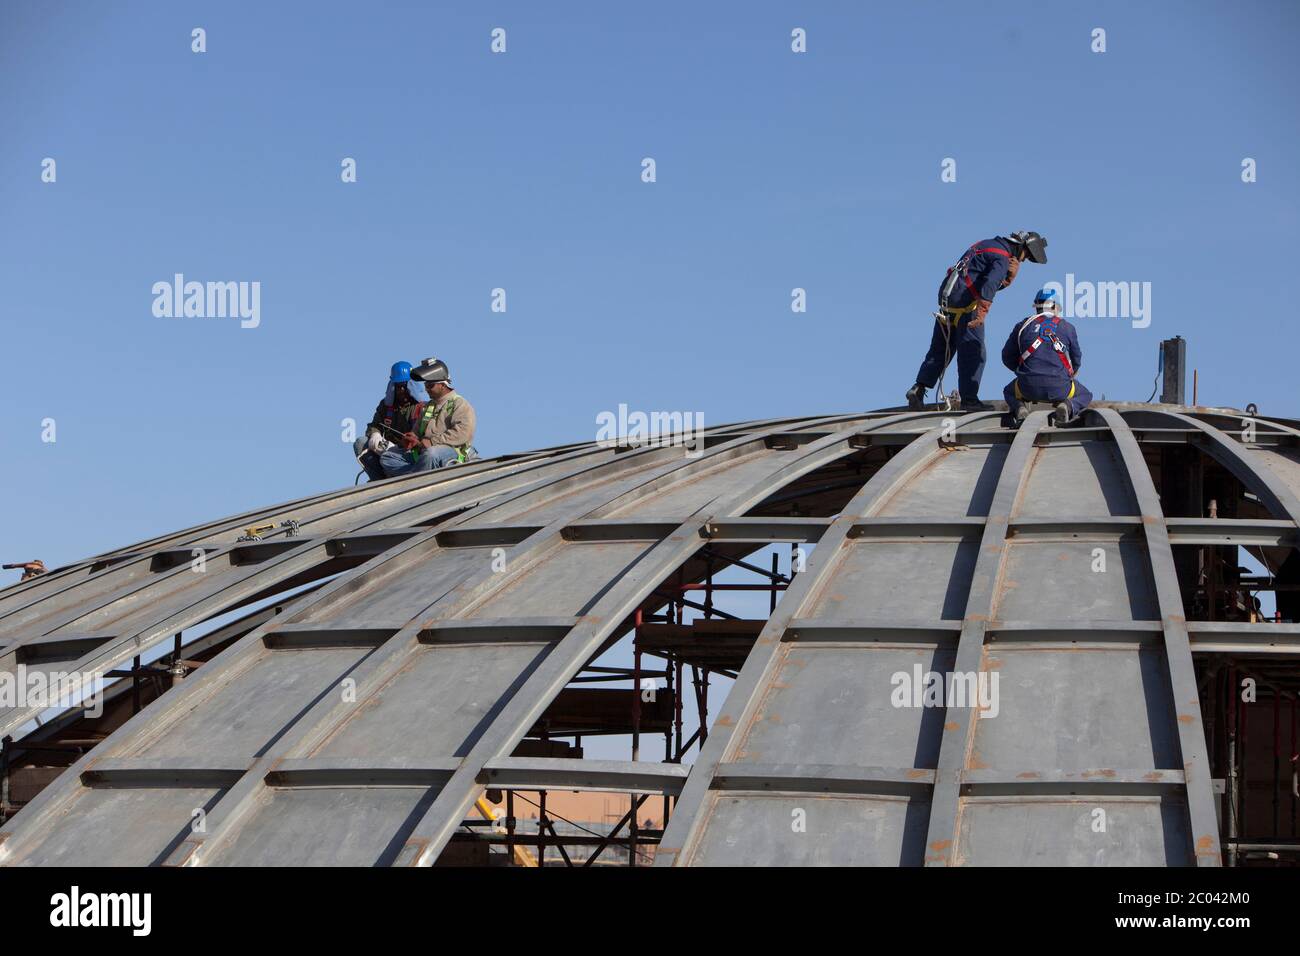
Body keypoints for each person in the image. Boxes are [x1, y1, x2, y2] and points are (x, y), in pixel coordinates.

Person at [906, 231, 1048, 411]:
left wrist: (1006, 281)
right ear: (1022, 247)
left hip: (947, 308)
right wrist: (982, 313)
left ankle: (918, 389)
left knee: (939, 351)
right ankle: (969, 400)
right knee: (974, 353)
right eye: (1026, 256)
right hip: (967, 311)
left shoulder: (984, 245)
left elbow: (976, 279)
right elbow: (989, 285)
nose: (1024, 260)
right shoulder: (1002, 257)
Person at [1001, 287, 1092, 423]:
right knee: (1085, 394)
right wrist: (1071, 374)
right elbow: (1077, 359)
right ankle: (1067, 406)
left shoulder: (1022, 326)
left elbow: (1007, 357)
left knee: (1008, 391)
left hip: (1027, 387)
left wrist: (1023, 371)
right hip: (1060, 388)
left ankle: (1020, 408)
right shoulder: (1067, 327)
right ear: (1055, 306)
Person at [379, 357, 478, 476]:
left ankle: (415, 479)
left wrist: (431, 442)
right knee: (388, 457)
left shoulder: (460, 404)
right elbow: (417, 431)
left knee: (431, 454)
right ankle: (415, 475)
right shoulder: (429, 407)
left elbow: (462, 434)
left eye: (430, 386)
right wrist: (412, 438)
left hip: (450, 451)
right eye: (426, 385)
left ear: (443, 384)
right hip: (424, 452)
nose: (426, 389)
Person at [353, 361, 428, 481]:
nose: (401, 390)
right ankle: (378, 481)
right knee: (361, 443)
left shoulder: (424, 407)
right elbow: (374, 425)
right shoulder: (386, 406)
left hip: (411, 454)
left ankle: (408, 479)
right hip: (387, 450)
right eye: (398, 386)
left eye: (405, 386)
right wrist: (375, 434)